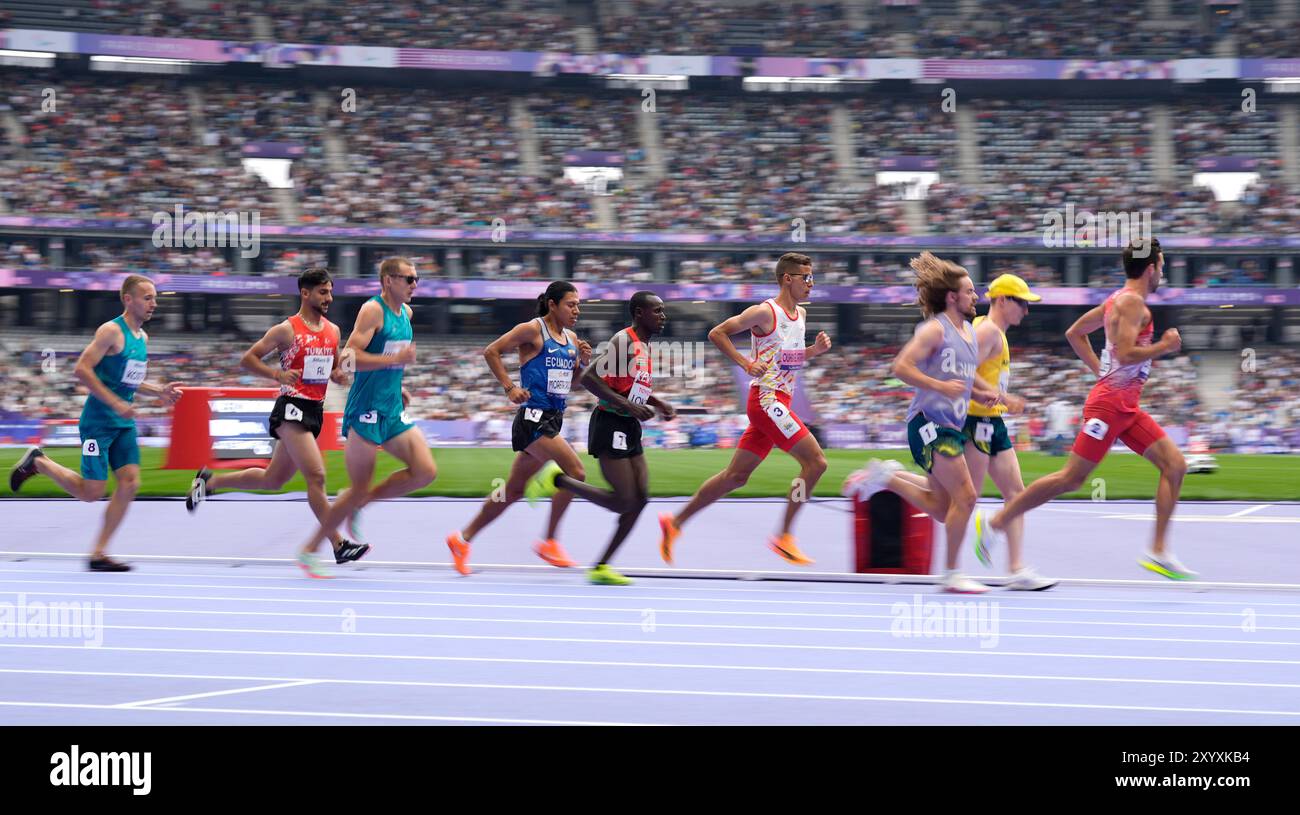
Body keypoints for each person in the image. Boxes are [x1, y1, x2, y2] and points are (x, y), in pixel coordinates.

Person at [976, 238, 1196, 580]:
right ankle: (995, 523)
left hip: (1125, 406)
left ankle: (1158, 551)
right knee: (1071, 478)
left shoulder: (1114, 302)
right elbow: (1123, 354)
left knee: (1175, 465)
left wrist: (1100, 371)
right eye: (1162, 267)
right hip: (1110, 407)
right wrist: (1164, 346)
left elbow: (1075, 333)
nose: (1162, 274)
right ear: (1151, 268)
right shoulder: (1132, 303)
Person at [658, 252, 832, 567]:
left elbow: (789, 358)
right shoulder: (765, 312)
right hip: (767, 401)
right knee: (816, 463)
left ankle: (675, 522)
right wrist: (745, 363)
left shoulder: (801, 316)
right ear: (787, 279)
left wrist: (814, 351)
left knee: (736, 476)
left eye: (812, 276)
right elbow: (717, 333)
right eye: (805, 277)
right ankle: (784, 536)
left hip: (780, 401)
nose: (811, 283)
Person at [186, 267, 368, 566]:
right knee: (317, 476)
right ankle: (337, 544)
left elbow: (334, 370)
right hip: (290, 407)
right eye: (323, 292)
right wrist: (277, 373)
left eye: (331, 292)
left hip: (314, 410)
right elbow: (248, 359)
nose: (329, 297)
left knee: (273, 479)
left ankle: (209, 482)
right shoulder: (287, 329)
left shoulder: (333, 331)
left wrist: (341, 376)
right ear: (305, 293)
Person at [842, 253, 1000, 593]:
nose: (977, 296)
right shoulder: (934, 330)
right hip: (928, 424)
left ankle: (887, 477)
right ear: (951, 297)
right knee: (967, 497)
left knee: (943, 509)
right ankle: (952, 574)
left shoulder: (970, 333)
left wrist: (987, 392)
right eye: (970, 291)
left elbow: (966, 377)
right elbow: (901, 367)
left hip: (951, 427)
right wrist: (940, 386)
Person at [9, 275, 182, 571]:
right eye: (147, 297)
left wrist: (158, 391)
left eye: (155, 297)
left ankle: (99, 553)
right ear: (128, 299)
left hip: (123, 424)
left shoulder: (143, 338)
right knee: (92, 492)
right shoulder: (111, 331)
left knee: (130, 483)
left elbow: (130, 378)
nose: (154, 303)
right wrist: (114, 402)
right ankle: (38, 462)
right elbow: (81, 370)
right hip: (98, 423)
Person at [295, 257, 437, 577]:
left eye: (417, 279)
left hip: (391, 408)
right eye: (409, 279)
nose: (415, 284)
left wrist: (398, 386)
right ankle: (309, 550)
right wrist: (393, 359)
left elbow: (391, 365)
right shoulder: (373, 310)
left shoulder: (407, 313)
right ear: (388, 281)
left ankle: (359, 503)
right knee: (358, 486)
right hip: (366, 411)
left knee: (425, 471)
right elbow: (347, 359)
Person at [527, 291, 675, 586]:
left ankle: (601, 566)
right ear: (638, 313)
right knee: (623, 502)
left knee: (640, 499)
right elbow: (589, 379)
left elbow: (632, 386)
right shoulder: (625, 341)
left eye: (663, 311)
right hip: (610, 423)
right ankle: (558, 480)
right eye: (656, 311)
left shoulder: (644, 346)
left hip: (629, 425)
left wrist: (657, 404)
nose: (663, 316)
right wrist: (629, 406)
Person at [445, 281, 593, 576]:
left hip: (554, 417)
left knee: (512, 492)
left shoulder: (573, 339)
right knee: (576, 471)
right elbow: (492, 351)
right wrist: (510, 387)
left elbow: (573, 385)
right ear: (552, 304)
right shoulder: (532, 330)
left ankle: (462, 539)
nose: (576, 310)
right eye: (570, 304)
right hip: (533, 418)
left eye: (578, 305)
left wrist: (582, 363)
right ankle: (550, 541)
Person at [962, 274, 1057, 590]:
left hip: (993, 422)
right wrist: (1005, 398)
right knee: (960, 497)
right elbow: (961, 373)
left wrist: (1001, 402)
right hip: (976, 422)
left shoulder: (995, 333)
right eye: (1022, 303)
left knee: (1016, 494)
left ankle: (1017, 569)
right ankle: (891, 478)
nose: (1026, 312)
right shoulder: (987, 331)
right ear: (1001, 300)